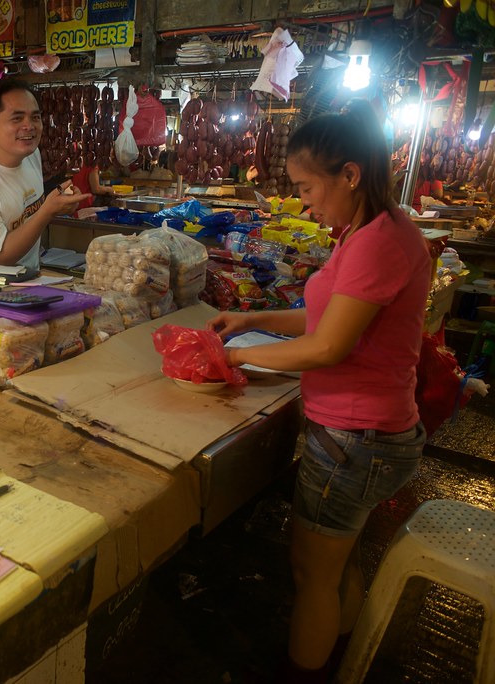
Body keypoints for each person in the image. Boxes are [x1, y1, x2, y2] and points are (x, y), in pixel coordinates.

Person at [207, 101, 432, 683]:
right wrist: (248, 322)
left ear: (349, 174)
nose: (303, 202)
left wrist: (239, 357)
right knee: (339, 562)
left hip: (356, 438)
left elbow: (328, 348)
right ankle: (344, 658)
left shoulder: (381, 240)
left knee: (312, 575)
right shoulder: (369, 229)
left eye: (308, 187)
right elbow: (322, 317)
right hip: (368, 432)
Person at [0, 79, 90, 270]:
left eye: (35, 117)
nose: (29, 126)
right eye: (17, 118)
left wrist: (61, 204)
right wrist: (47, 211)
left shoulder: (31, 155)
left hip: (26, 282)